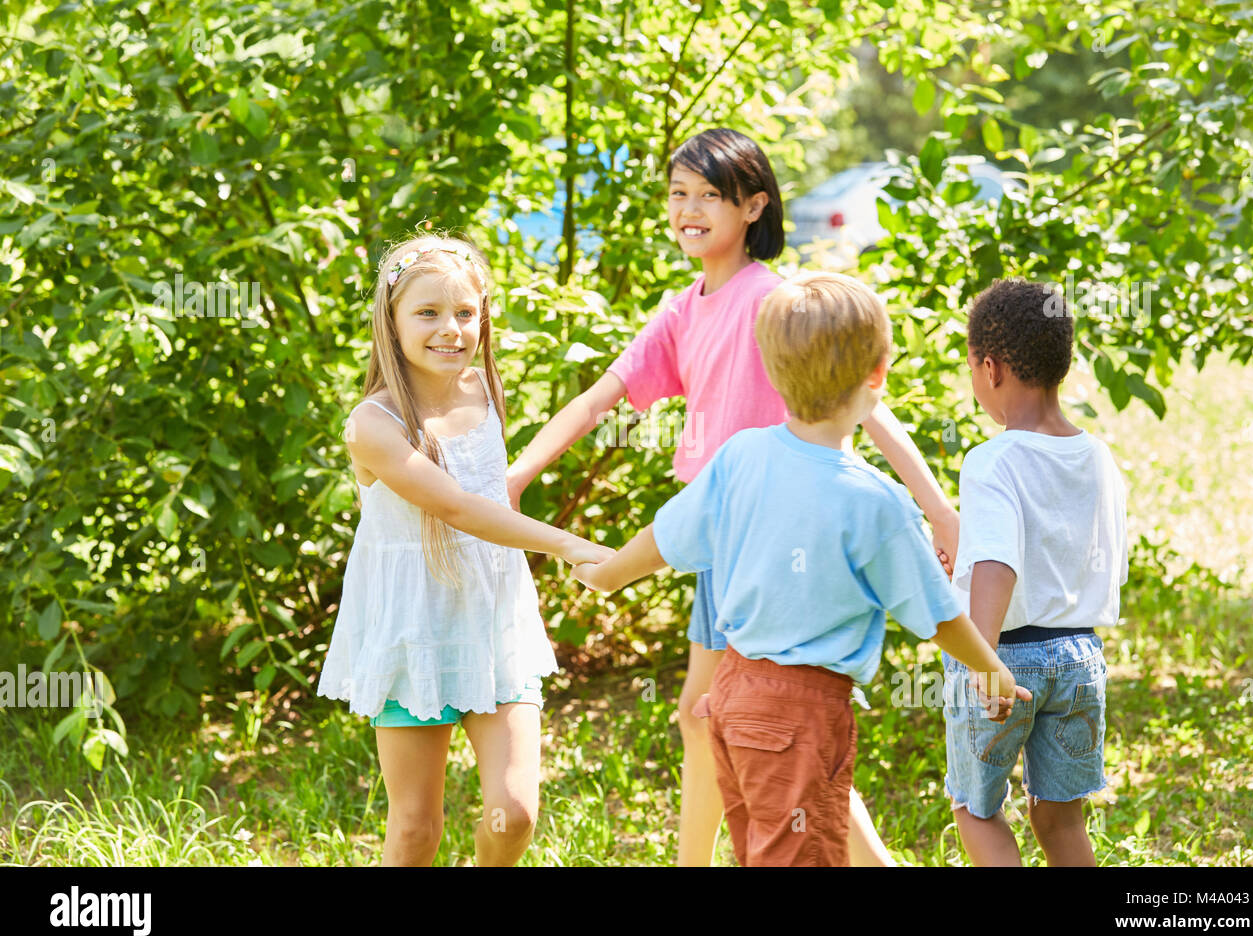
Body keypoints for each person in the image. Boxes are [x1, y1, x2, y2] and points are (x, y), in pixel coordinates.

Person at [507, 128, 960, 867]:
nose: (688, 210)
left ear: (753, 207)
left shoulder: (776, 302)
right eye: (677, 195)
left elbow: (869, 407)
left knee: (744, 719)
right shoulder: (684, 308)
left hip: (778, 543)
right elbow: (599, 400)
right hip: (726, 539)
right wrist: (519, 473)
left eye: (707, 196)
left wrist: (938, 509)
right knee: (717, 716)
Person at [570, 272, 1028, 866]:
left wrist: (608, 574)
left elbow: (668, 535)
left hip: (731, 694)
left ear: (771, 369)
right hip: (802, 711)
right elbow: (936, 613)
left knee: (766, 849)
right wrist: (989, 668)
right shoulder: (876, 501)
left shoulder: (741, 456)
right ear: (878, 377)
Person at [317, 233, 612, 867]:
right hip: (413, 630)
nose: (450, 329)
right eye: (427, 312)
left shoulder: (481, 390)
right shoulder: (374, 425)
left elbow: (488, 491)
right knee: (417, 828)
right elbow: (455, 507)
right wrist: (571, 546)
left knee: (514, 815)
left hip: (493, 625)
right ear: (390, 321)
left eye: (465, 313)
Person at [943, 277, 1128, 866]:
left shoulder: (993, 459)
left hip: (1005, 659)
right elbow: (1080, 551)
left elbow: (999, 561)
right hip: (1079, 659)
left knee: (977, 810)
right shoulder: (1097, 455)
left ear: (990, 369)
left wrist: (984, 661)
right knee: (1060, 814)